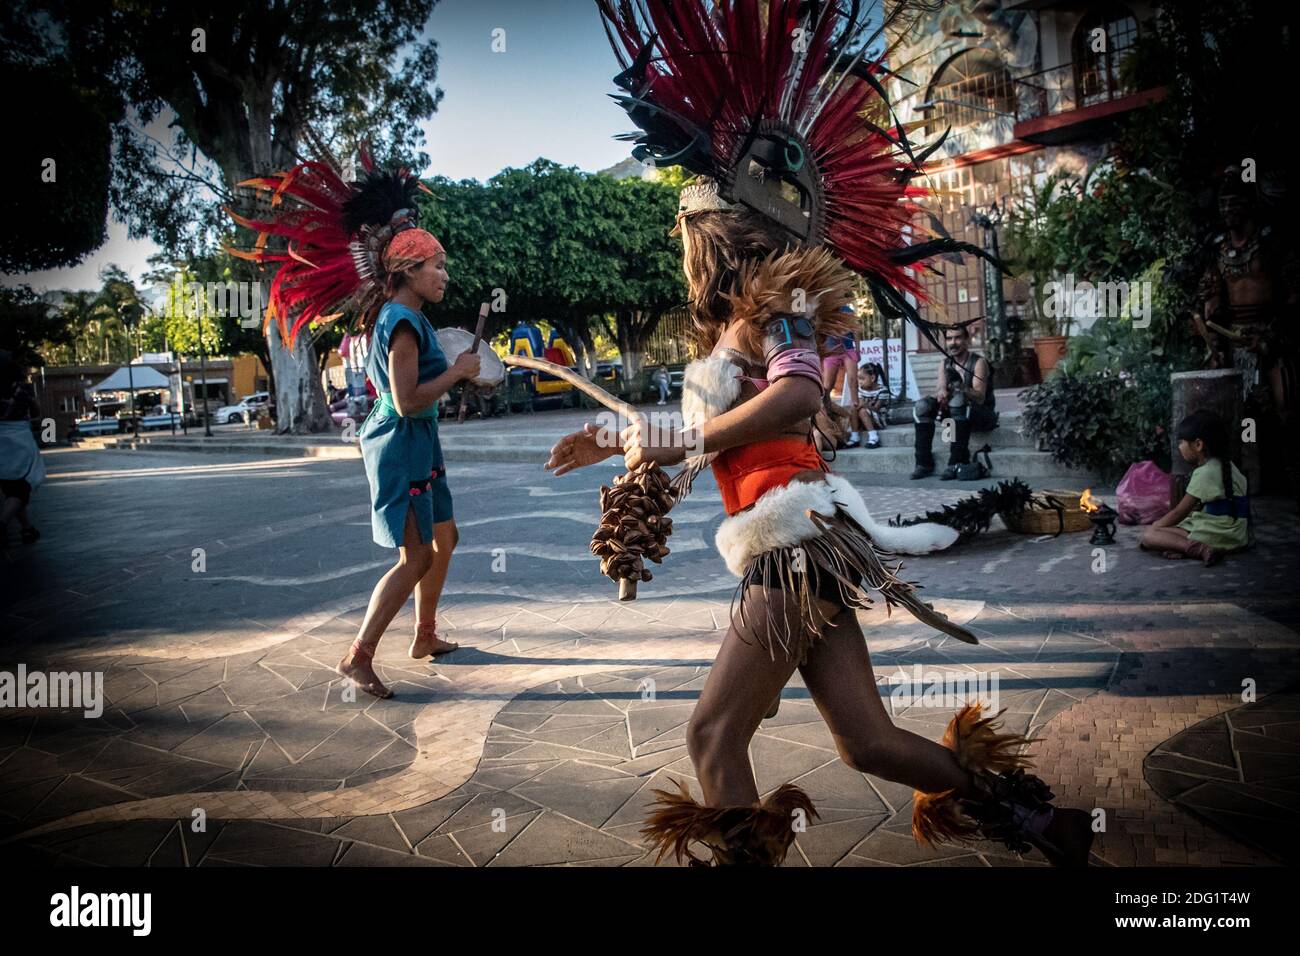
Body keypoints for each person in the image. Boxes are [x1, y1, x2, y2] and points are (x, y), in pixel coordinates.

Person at [550, 0, 1094, 868]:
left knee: (713, 736)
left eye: (691, 234)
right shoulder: (741, 325)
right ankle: (1041, 823)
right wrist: (611, 440)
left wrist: (681, 443)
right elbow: (714, 428)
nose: (687, 248)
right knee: (867, 742)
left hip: (795, 542)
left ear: (718, 239)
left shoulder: (782, 304)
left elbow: (796, 399)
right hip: (804, 542)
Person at [229, 150, 480, 699]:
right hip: (401, 442)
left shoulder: (411, 317)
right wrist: (460, 372)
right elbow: (406, 401)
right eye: (437, 265)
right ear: (408, 270)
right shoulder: (402, 323)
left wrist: (455, 367)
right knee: (417, 556)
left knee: (446, 536)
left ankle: (425, 634)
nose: (445, 274)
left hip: (420, 439)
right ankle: (357, 655)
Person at [1139, 410, 1249, 565]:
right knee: (1171, 532)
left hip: (1214, 537)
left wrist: (1156, 526)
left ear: (1198, 444)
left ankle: (1199, 549)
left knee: (1149, 535)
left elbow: (1178, 513)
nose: (1179, 447)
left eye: (1181, 442)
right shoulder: (1231, 468)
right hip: (1236, 538)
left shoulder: (1204, 473)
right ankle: (1183, 548)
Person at [911, 322, 998, 480]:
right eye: (949, 339)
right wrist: (941, 393)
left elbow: (980, 397)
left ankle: (956, 462)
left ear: (966, 340)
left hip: (982, 415)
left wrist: (961, 386)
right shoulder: (945, 363)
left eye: (958, 338)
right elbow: (940, 388)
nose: (953, 343)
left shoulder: (979, 362)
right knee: (922, 406)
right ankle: (923, 463)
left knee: (958, 400)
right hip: (956, 415)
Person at [0, 351, 43, 552]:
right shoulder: (20, 389)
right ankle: (2, 525)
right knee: (22, 488)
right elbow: (36, 412)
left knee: (11, 489)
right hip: (18, 439)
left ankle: (27, 528)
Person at [857, 361, 890, 449]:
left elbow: (876, 408)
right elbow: (860, 403)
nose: (860, 382)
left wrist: (864, 405)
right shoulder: (861, 390)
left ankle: (874, 437)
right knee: (853, 408)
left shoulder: (883, 391)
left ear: (872, 378)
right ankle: (854, 435)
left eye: (862, 379)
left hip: (879, 420)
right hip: (866, 418)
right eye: (859, 379)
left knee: (862, 411)